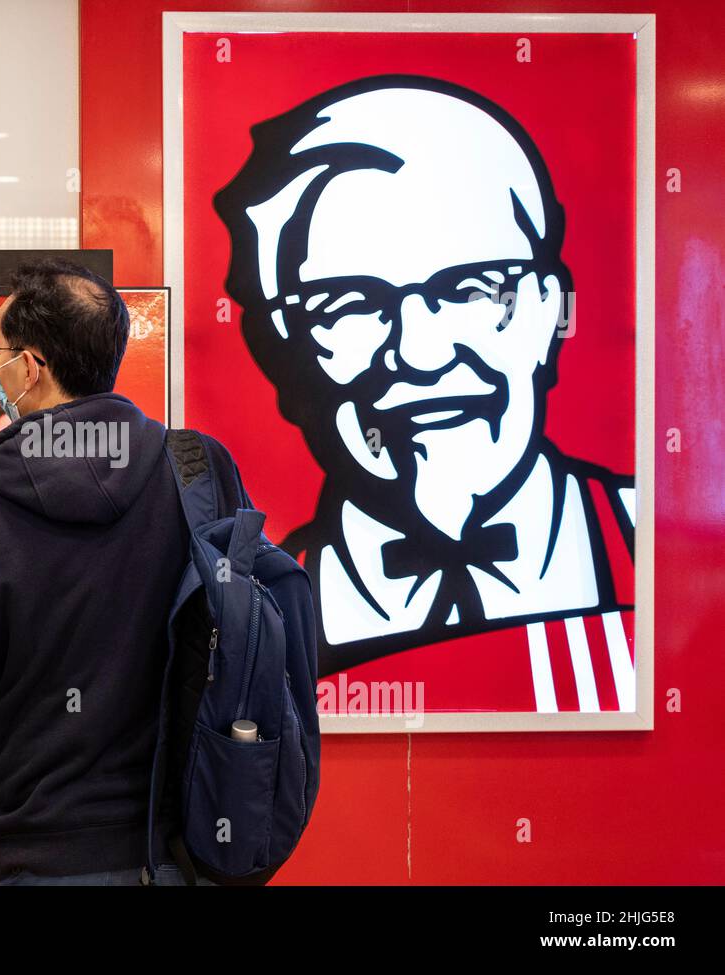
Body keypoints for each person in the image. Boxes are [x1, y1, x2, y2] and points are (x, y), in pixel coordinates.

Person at [213, 76, 634, 711]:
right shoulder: (250, 606)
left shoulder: (651, 550)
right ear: (284, 349)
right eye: (350, 304)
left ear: (547, 312)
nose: (420, 353)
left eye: (470, 289)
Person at [0, 258, 254, 885]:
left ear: (31, 368)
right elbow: (244, 641)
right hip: (172, 850)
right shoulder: (200, 473)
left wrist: (16, 779)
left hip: (27, 855)